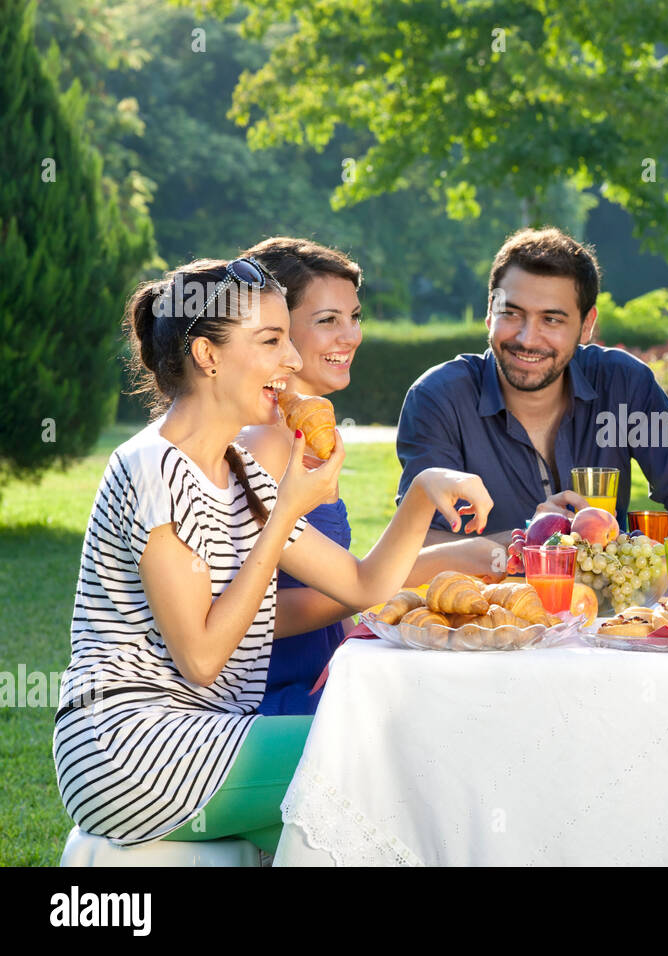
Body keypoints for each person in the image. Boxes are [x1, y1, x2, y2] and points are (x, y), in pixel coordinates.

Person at [53, 257, 493, 855]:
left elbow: (362, 585)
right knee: (386, 766)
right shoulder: (153, 467)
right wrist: (286, 511)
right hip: (130, 748)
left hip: (212, 737)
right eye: (271, 340)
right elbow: (203, 658)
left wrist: (421, 495)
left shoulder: (240, 473)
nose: (292, 360)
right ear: (208, 356)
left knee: (372, 821)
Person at [236, 238, 505, 716]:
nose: (351, 336)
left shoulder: (308, 432)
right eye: (327, 321)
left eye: (354, 317)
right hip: (276, 699)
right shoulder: (263, 442)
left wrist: (469, 555)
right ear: (273, 328)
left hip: (328, 675)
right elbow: (258, 616)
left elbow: (340, 577)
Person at [395, 227, 668, 566]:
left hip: (605, 620)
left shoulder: (624, 384)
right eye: (512, 313)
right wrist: (530, 541)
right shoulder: (438, 398)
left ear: (587, 324)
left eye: (552, 319)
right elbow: (413, 549)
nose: (528, 338)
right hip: (486, 621)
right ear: (490, 312)